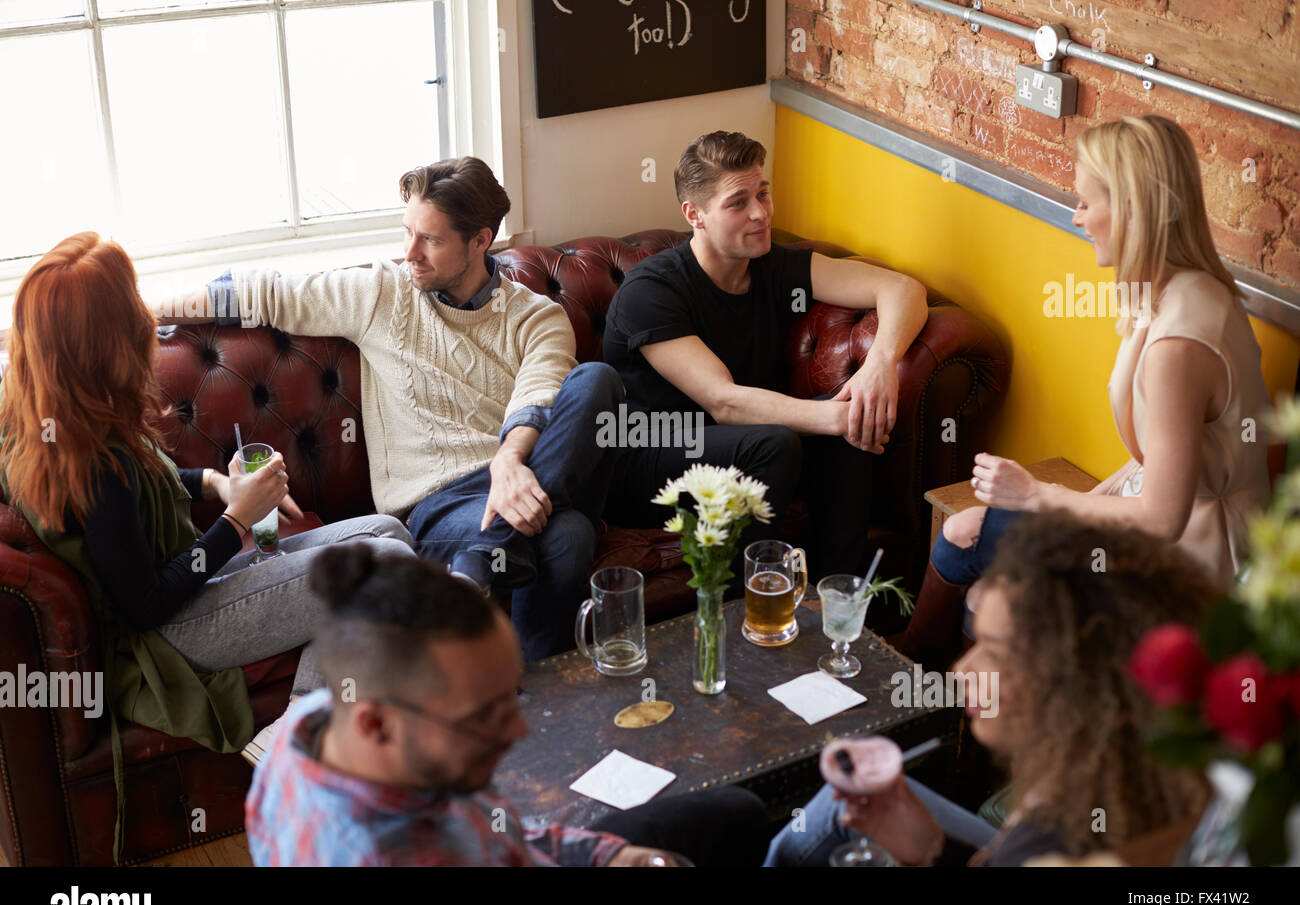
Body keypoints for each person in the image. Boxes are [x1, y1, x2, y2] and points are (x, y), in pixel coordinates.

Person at [0, 233, 416, 857]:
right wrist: (238, 522)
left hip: (184, 596)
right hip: (170, 632)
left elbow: (148, 491)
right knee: (384, 566)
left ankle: (300, 737)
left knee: (390, 533)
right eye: (131, 304)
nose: (145, 316)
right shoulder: (96, 462)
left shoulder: (51, 412)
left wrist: (217, 482)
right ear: (105, 337)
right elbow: (147, 603)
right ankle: (297, 742)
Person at [163, 157, 623, 661]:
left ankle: (491, 561)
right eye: (408, 233)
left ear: (480, 240)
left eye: (431, 240)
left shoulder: (537, 317)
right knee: (569, 535)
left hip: (522, 475)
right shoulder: (382, 293)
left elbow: (540, 392)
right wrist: (143, 308)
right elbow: (267, 293)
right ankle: (543, 698)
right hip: (440, 505)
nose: (411, 254)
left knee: (597, 380)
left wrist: (508, 462)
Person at [894, 115, 1272, 668]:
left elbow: (1165, 517)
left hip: (1191, 559)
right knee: (964, 533)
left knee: (974, 558)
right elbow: (1157, 458)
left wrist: (1037, 497)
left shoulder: (1177, 348)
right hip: (1162, 523)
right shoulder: (1181, 289)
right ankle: (916, 695)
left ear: (1134, 210)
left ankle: (917, 701)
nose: (1076, 218)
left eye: (1085, 203)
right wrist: (1081, 508)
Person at [245, 543, 772, 866]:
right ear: (377, 724)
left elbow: (495, 832)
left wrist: (606, 855)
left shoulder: (311, 722)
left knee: (736, 814)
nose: (519, 729)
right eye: (485, 715)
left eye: (511, 696)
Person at [766, 511, 1210, 866]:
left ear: (1074, 683)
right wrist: (934, 848)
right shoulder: (1132, 782)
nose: (962, 671)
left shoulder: (1046, 848)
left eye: (994, 652)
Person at [602, 131, 929, 580]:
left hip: (746, 444)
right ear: (694, 214)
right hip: (646, 459)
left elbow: (902, 289)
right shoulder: (651, 291)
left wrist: (880, 365)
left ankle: (840, 606)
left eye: (763, 193)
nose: (760, 213)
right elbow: (724, 401)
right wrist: (842, 417)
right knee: (781, 441)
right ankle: (751, 610)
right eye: (738, 202)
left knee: (839, 442)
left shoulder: (773, 266)